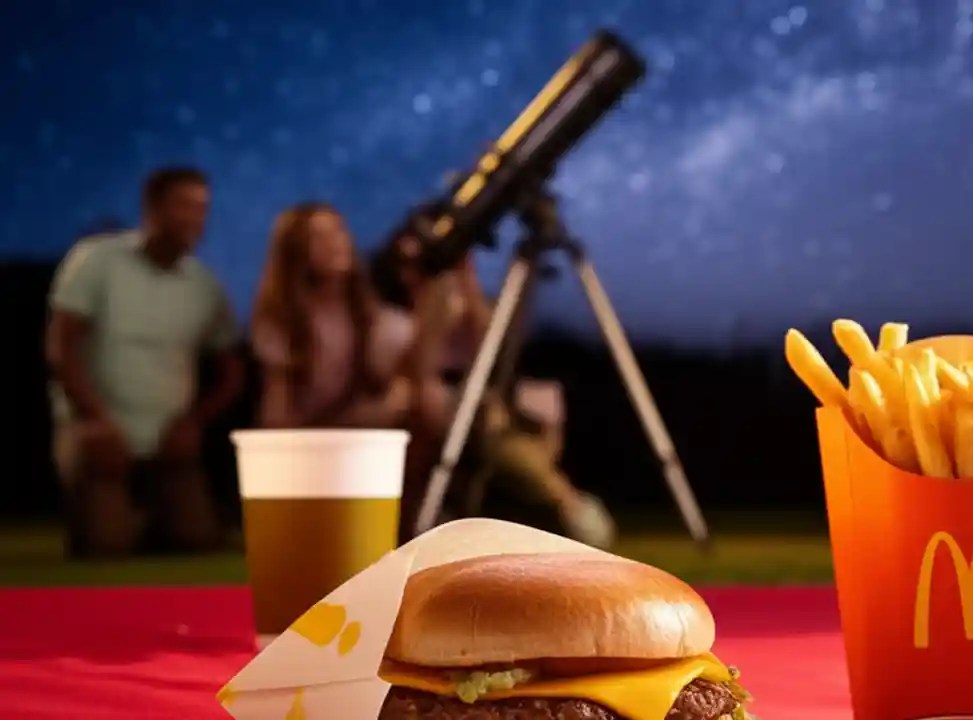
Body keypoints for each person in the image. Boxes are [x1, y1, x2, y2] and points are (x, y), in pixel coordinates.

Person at [372, 221, 616, 548]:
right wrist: (434, 304)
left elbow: (493, 347)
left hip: (482, 401)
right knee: (489, 421)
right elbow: (418, 370)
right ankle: (567, 503)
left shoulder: (462, 302)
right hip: (438, 404)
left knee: (505, 416)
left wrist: (465, 280)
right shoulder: (389, 320)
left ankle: (562, 504)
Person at [46, 167, 243, 557]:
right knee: (106, 546)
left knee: (196, 541)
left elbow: (232, 371)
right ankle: (113, 514)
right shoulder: (96, 260)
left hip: (169, 439)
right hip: (96, 432)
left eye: (202, 208)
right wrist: (94, 419)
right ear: (152, 208)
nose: (194, 218)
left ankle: (159, 517)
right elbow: (61, 348)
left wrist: (193, 422)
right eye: (183, 205)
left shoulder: (204, 284)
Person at [251, 203, 415, 431]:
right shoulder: (283, 322)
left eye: (338, 231)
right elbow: (277, 414)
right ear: (296, 251)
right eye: (317, 237)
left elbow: (408, 361)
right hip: (309, 439)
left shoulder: (374, 318)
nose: (333, 242)